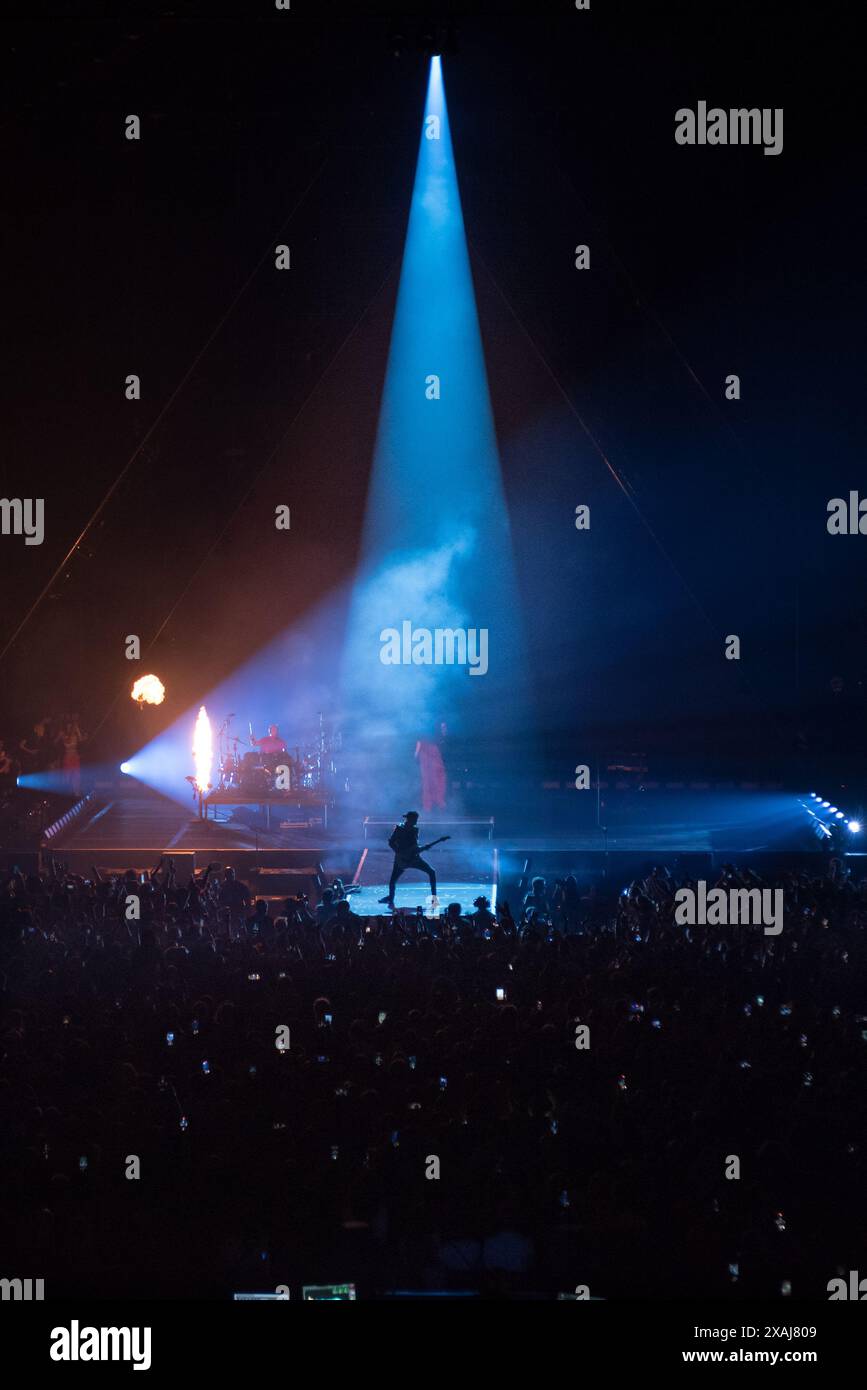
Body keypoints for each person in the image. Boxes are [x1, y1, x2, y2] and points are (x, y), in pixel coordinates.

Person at [379, 811, 437, 909]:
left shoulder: (415, 830)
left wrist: (421, 848)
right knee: (393, 880)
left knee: (432, 872)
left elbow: (414, 846)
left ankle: (434, 899)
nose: (416, 821)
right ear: (409, 819)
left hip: (414, 858)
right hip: (402, 859)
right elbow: (391, 842)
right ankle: (391, 897)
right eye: (415, 819)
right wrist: (398, 851)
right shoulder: (399, 829)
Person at [414, 728, 446, 812]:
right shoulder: (425, 737)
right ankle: (429, 804)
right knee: (428, 780)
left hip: (433, 751)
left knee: (438, 778)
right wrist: (416, 754)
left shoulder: (435, 740)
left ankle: (437, 801)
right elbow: (419, 741)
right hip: (426, 752)